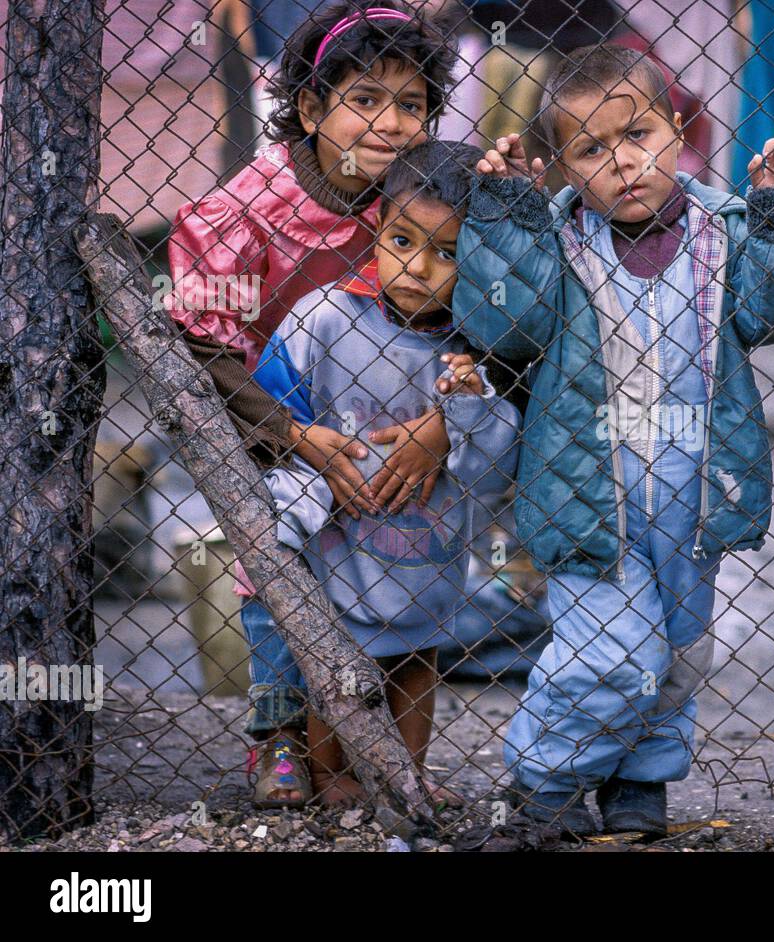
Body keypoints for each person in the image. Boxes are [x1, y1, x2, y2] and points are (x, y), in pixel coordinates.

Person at [452, 43, 774, 838]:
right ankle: (543, 784)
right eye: (592, 150)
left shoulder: (724, 231)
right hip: (583, 490)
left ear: (678, 132)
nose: (624, 163)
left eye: (638, 135)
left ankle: (639, 780)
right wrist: (505, 217)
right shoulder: (556, 238)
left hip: (695, 492)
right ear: (561, 167)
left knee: (675, 651)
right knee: (608, 648)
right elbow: (507, 326)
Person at [166, 1, 458, 808]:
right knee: (276, 567)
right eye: (364, 99)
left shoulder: (418, 196)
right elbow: (203, 342)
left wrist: (444, 426)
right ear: (309, 107)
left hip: (386, 425)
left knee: (389, 575)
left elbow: (502, 319)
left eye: (412, 105)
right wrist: (292, 436)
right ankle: (277, 737)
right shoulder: (253, 207)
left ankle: (378, 750)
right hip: (269, 416)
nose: (391, 123)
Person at [251, 139, 520, 806]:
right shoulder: (326, 320)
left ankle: (408, 773)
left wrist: (467, 405)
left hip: (429, 541)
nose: (417, 267)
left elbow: (493, 464)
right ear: (376, 227)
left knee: (418, 657)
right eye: (401, 239)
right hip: (342, 532)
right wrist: (308, 492)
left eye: (447, 253)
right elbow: (275, 413)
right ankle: (333, 774)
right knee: (338, 662)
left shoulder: (476, 345)